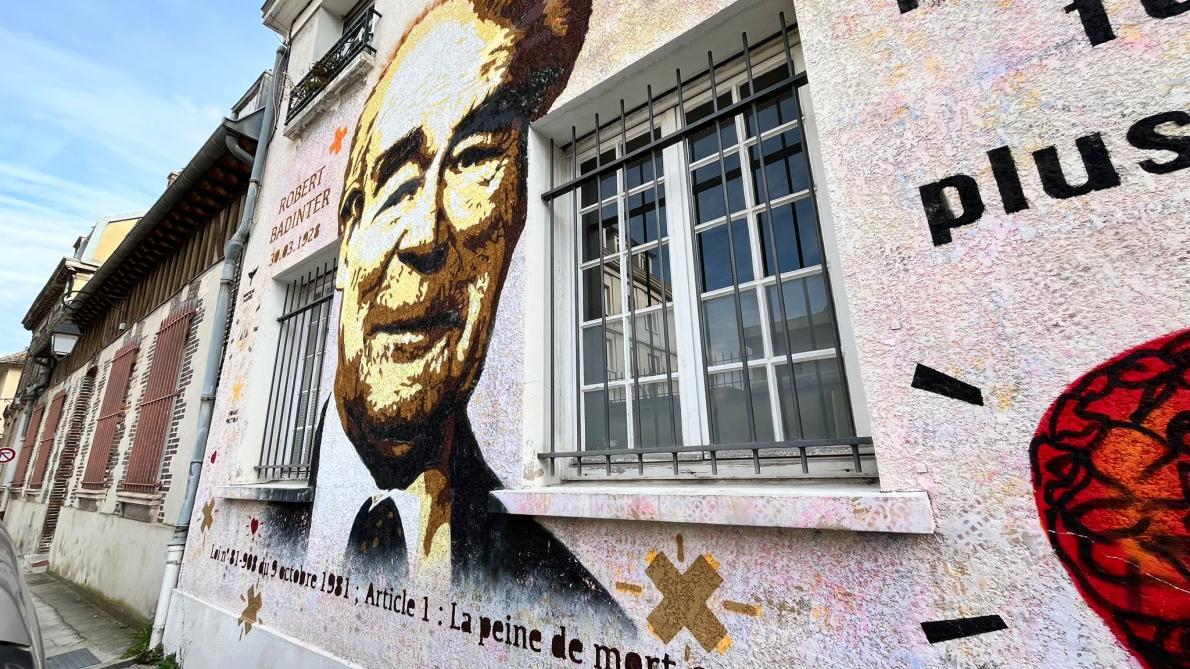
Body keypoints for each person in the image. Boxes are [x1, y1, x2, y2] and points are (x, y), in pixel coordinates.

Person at [332, 0, 623, 620]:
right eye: (398, 180)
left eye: (471, 160)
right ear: (350, 229)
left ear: (516, 220)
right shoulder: (313, 502)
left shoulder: (564, 605)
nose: (426, 234)